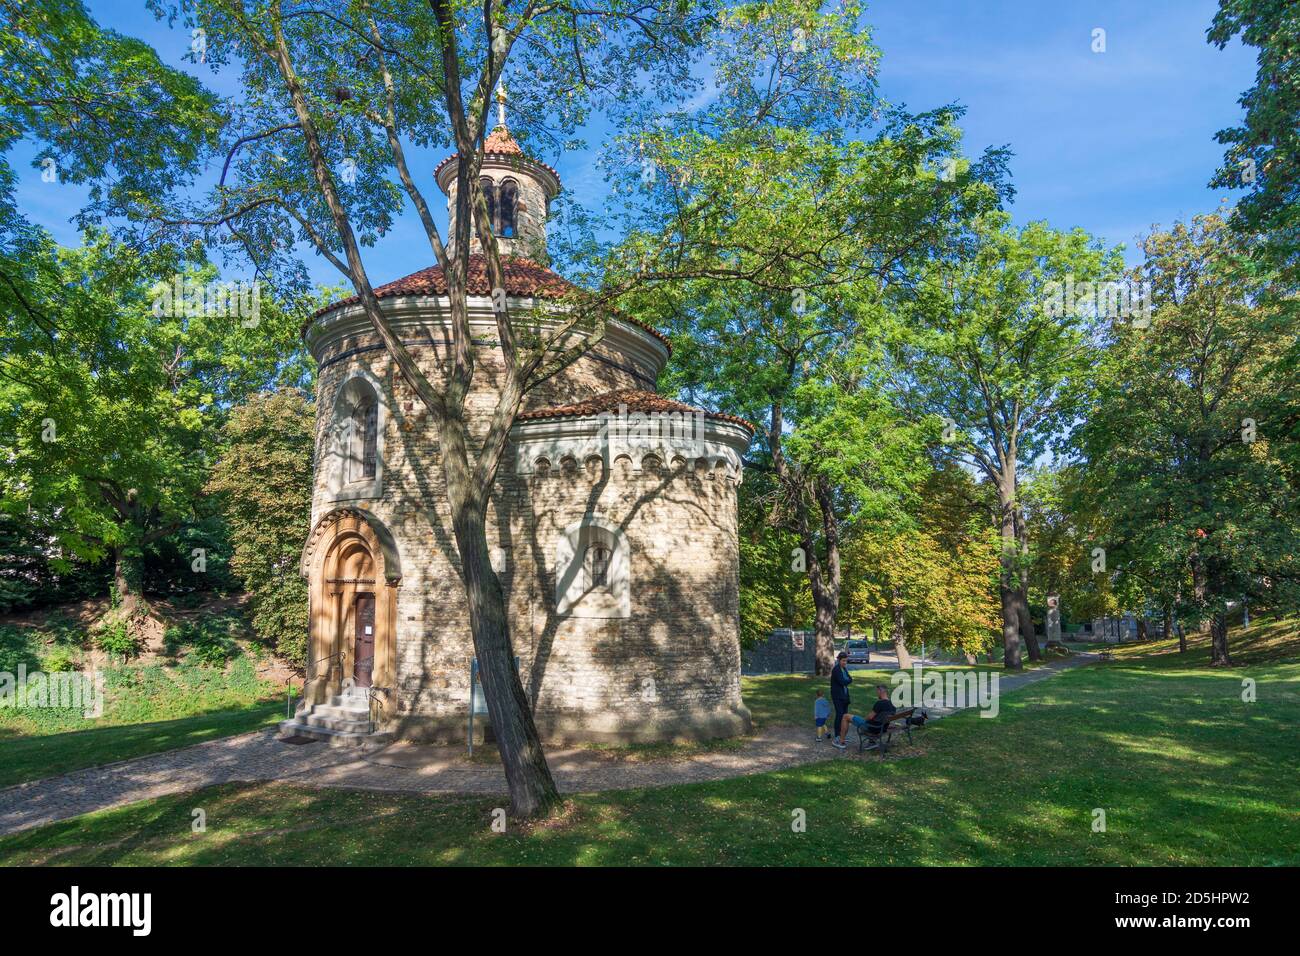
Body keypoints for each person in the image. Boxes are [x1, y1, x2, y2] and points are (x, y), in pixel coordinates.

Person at [833, 685, 897, 749]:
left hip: (871, 728)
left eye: (877, 691)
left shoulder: (880, 703)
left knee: (845, 716)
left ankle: (841, 742)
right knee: (865, 719)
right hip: (882, 728)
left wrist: (863, 720)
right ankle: (871, 742)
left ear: (880, 691)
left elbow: (870, 717)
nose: (877, 693)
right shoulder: (892, 704)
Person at [830, 651, 852, 747]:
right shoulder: (836, 670)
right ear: (839, 660)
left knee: (845, 715)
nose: (844, 663)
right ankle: (837, 735)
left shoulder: (844, 669)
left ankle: (843, 735)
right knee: (839, 715)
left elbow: (850, 679)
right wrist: (847, 680)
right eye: (843, 661)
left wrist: (847, 680)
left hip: (845, 696)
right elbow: (843, 682)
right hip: (838, 696)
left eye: (846, 661)